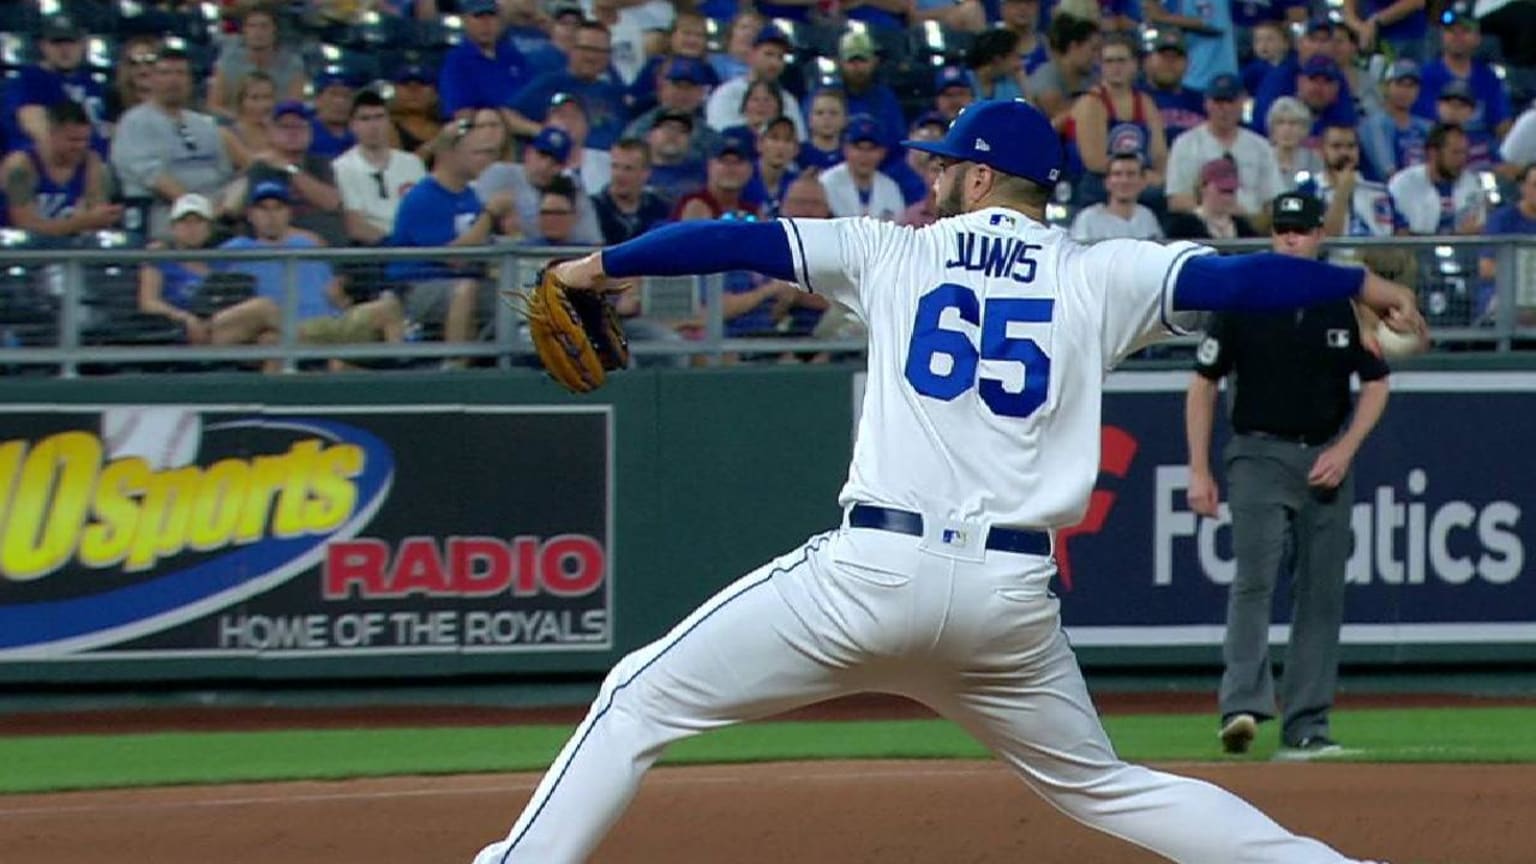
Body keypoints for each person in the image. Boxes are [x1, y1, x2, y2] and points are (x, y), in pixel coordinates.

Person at [466, 98, 1420, 864]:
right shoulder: (1101, 272)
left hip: (870, 577)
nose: (931, 179)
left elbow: (742, 241)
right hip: (1009, 604)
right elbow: (1247, 281)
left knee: (639, 697)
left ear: (975, 174)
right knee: (1104, 787)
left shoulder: (895, 251)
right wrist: (1357, 283)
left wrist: (594, 266)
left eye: (943, 164)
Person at [1186, 189, 1392, 760]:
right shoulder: (1244, 298)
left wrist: (1348, 447)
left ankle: (1307, 727)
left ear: (1318, 235)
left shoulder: (1339, 304)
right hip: (1258, 453)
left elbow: (1377, 380)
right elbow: (1203, 383)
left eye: (1300, 230)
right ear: (1273, 235)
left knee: (1321, 595)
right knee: (1254, 580)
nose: (1291, 239)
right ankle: (1242, 708)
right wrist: (1198, 468)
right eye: (1282, 231)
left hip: (1325, 455)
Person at [214, 180, 405, 372]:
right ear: (250, 215)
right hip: (289, 331)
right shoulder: (237, 249)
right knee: (272, 342)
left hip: (332, 325)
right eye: (263, 209)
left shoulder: (308, 243)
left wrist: (341, 297)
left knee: (387, 305)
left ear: (288, 213)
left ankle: (400, 376)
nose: (271, 216)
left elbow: (335, 293)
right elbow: (203, 275)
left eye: (278, 208)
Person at [111, 49, 243, 240]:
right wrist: (200, 210)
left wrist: (220, 209)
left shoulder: (205, 124)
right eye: (165, 73)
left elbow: (224, 175)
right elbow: (153, 177)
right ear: (152, 79)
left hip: (216, 211)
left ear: (190, 81)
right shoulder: (135, 122)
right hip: (165, 213)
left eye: (180, 73)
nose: (174, 80)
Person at [1165, 74, 1285, 226]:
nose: (1225, 108)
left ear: (1242, 102)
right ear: (1207, 103)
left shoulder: (1260, 146)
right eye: (1219, 101)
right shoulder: (1185, 143)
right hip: (1202, 227)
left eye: (1231, 101)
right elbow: (1176, 199)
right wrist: (1215, 212)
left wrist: (1253, 220)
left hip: (1252, 227)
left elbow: (1274, 199)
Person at [0, 101, 122, 237]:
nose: (81, 146)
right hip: (19, 252)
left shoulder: (90, 162)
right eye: (73, 140)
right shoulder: (19, 167)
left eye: (85, 140)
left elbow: (98, 217)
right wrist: (82, 222)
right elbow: (25, 227)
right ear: (52, 134)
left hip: (70, 249)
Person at [333, 90, 427, 246]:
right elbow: (355, 226)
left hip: (416, 245)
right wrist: (396, 247)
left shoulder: (413, 163)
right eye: (365, 119)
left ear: (389, 121)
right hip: (372, 253)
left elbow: (426, 212)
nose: (373, 126)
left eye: (379, 117)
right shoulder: (341, 167)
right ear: (352, 125)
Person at [206, 5, 307, 119]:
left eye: (264, 26)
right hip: (235, 127)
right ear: (244, 31)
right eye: (252, 26)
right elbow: (213, 106)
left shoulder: (292, 65)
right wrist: (244, 122)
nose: (258, 32)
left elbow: (294, 108)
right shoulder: (228, 61)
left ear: (275, 31)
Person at [818, 115, 904, 221]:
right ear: (845, 149)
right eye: (858, 148)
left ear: (882, 152)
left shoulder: (890, 187)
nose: (865, 155)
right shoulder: (826, 182)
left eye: (871, 149)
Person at [1358, 60, 1432, 182]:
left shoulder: (1425, 127)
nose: (1405, 91)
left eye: (1411, 86)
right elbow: (1387, 171)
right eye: (1399, 84)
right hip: (1381, 193)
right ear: (1386, 87)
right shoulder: (1375, 124)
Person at [1069, 150, 1164, 241]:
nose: (1124, 181)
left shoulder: (1147, 217)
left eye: (1131, 174)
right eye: (1117, 174)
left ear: (1142, 182)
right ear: (1107, 183)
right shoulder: (1088, 219)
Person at [592, 138, 670, 244]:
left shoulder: (659, 208)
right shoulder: (592, 208)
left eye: (628, 168)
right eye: (615, 166)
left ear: (645, 173)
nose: (619, 175)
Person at [1164, 157, 1263, 239]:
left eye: (1231, 191)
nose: (1228, 198)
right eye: (1222, 191)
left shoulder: (1243, 227)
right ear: (1203, 188)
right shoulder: (1183, 227)